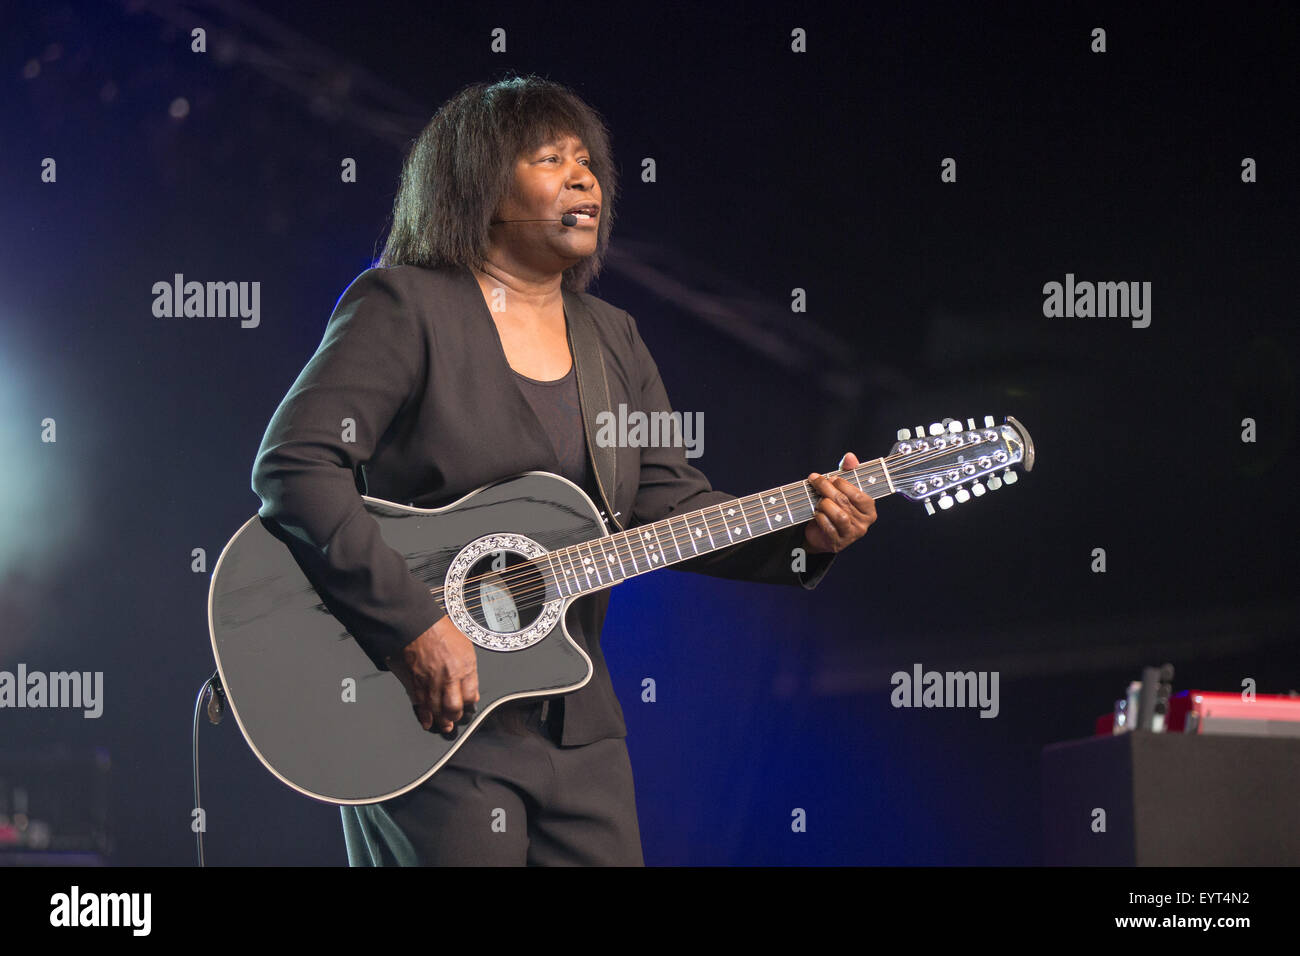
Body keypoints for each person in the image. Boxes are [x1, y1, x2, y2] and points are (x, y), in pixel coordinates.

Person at [250, 75, 876, 866]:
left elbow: (672, 506)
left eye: (588, 163)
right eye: (551, 159)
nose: (585, 179)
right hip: (430, 720)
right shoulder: (406, 307)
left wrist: (807, 537)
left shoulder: (613, 337)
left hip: (579, 729)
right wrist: (411, 623)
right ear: (477, 182)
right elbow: (296, 466)